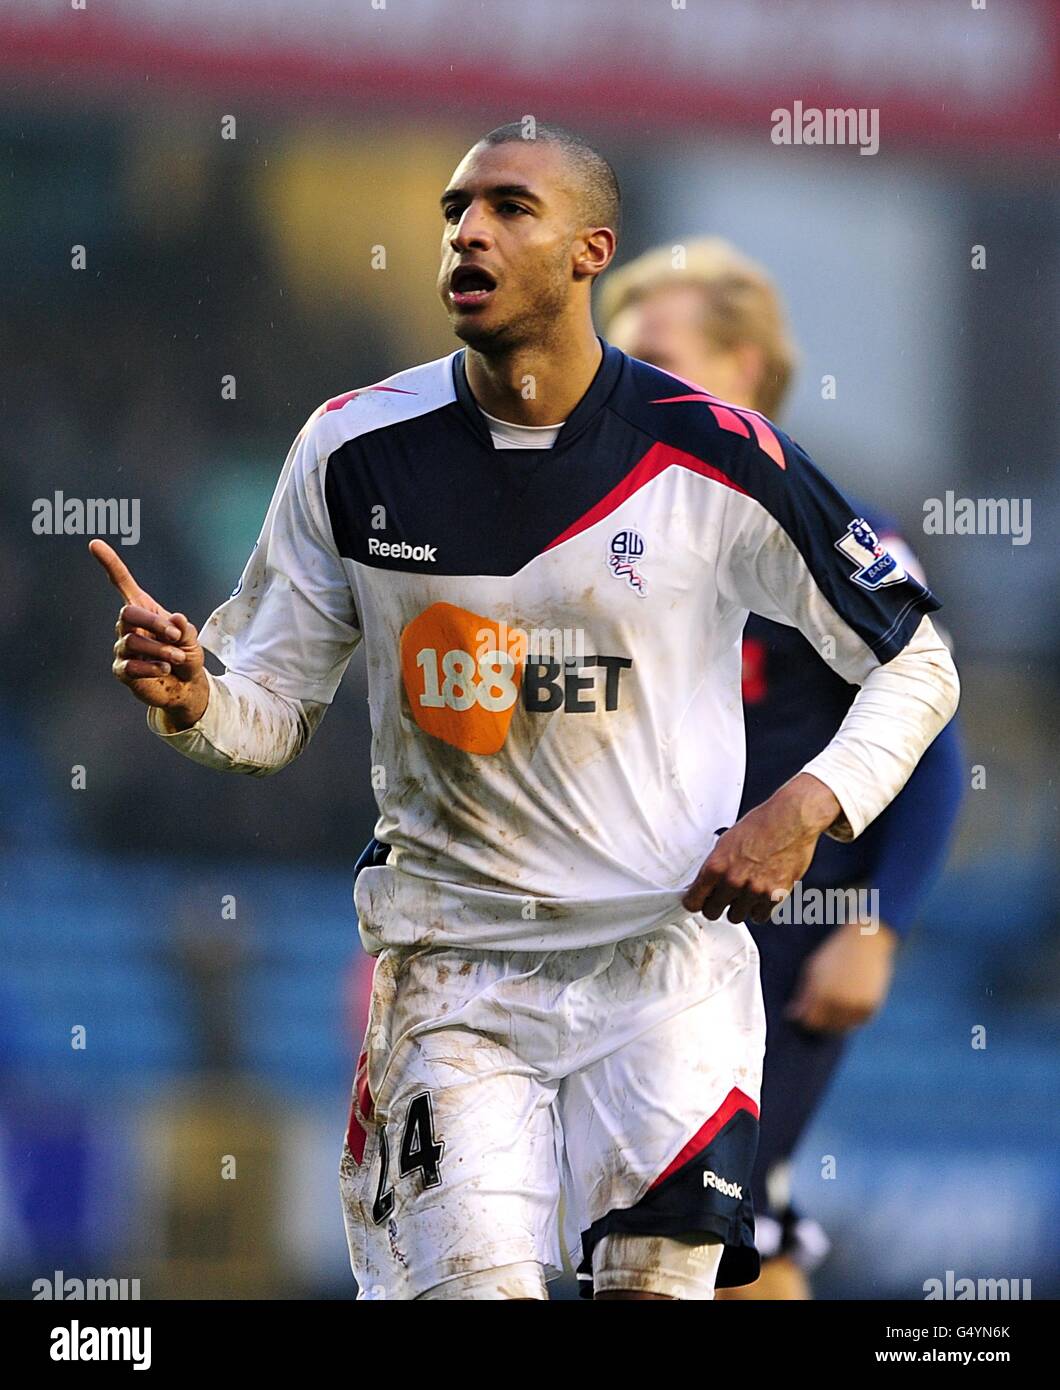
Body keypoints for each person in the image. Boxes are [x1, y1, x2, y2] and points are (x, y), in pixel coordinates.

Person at [91, 124, 959, 1301]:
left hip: (666, 970)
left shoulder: (718, 458)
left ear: (591, 250)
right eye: (456, 209)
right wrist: (197, 698)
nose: (469, 231)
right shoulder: (352, 451)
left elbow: (916, 662)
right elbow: (271, 711)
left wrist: (805, 808)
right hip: (455, 978)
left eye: (509, 207)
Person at [601, 237, 965, 1298]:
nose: (636, 386)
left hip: (780, 949)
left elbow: (935, 752)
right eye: (624, 363)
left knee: (708, 1242)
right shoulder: (626, 532)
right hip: (650, 933)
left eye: (659, 357)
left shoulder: (831, 529)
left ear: (747, 369)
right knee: (697, 1245)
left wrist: (875, 928)